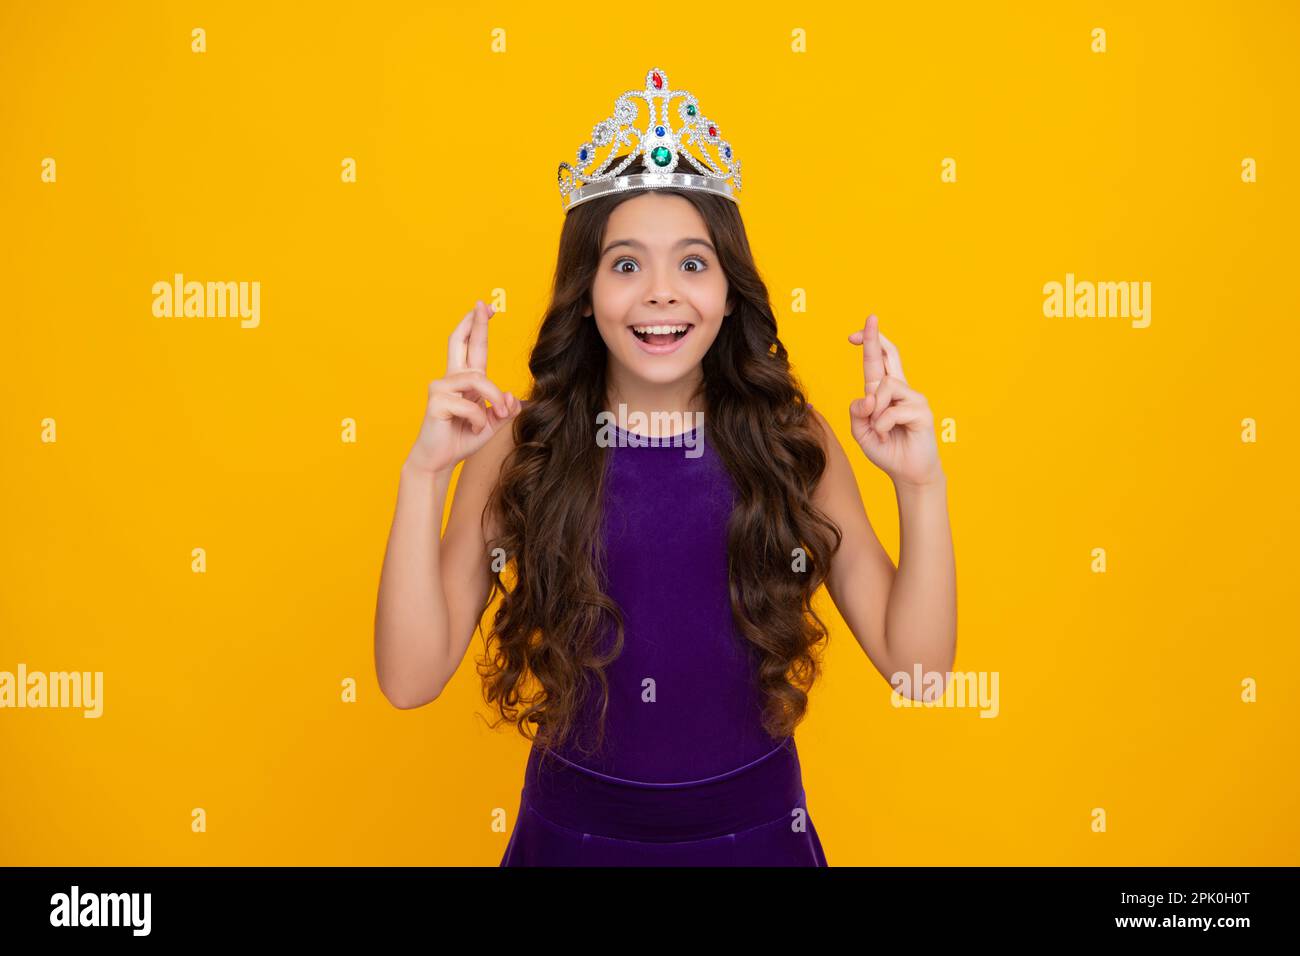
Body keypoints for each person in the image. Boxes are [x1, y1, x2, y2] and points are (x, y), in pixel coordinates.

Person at [374, 67, 956, 866]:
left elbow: (918, 671)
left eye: (691, 264)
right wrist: (424, 476)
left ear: (727, 289)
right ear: (584, 294)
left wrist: (919, 488)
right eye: (624, 266)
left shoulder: (789, 441)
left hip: (755, 841)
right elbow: (408, 680)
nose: (660, 294)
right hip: (571, 843)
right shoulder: (523, 445)